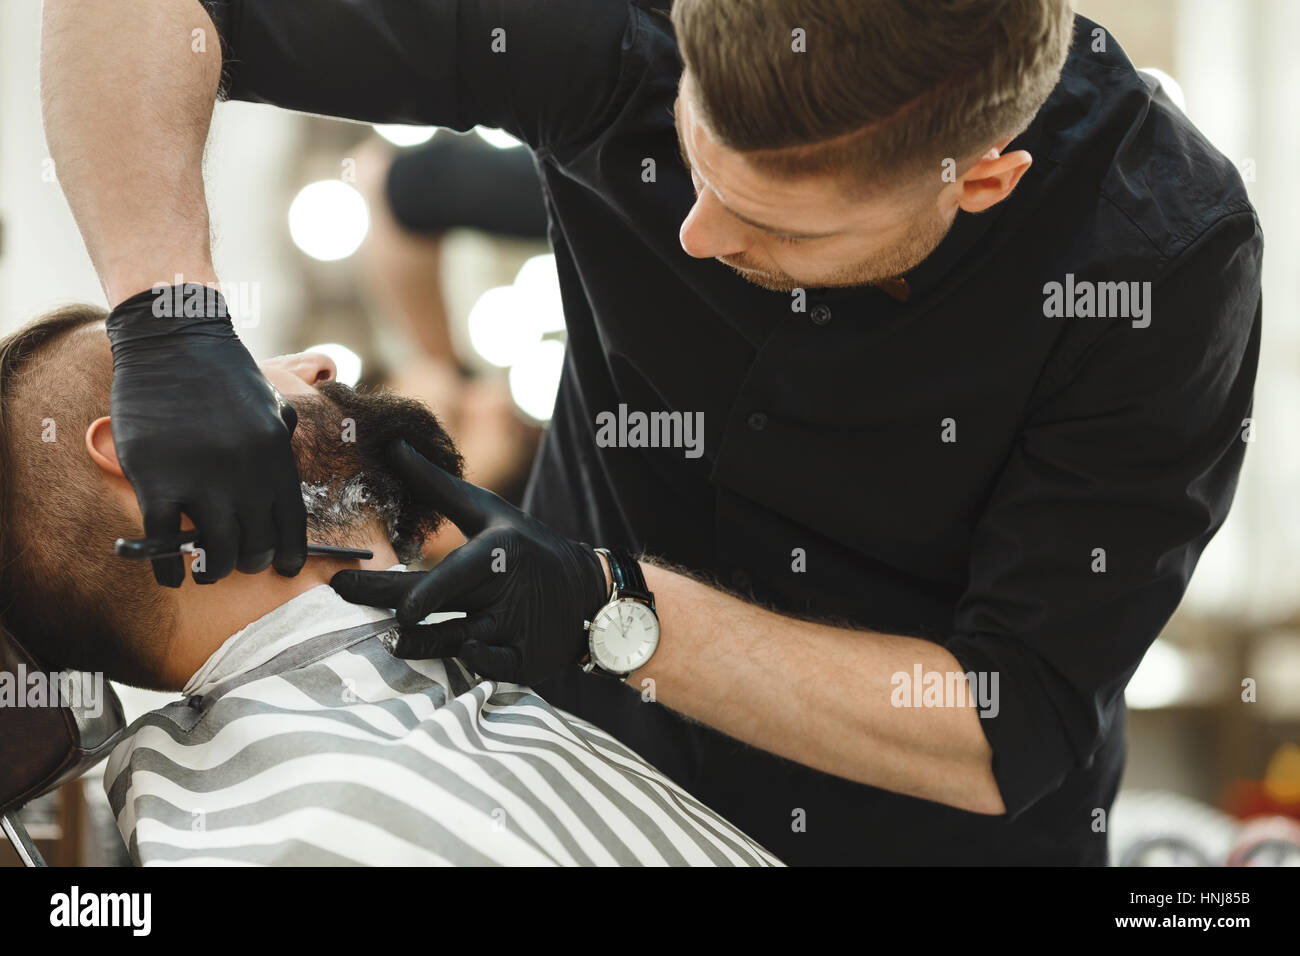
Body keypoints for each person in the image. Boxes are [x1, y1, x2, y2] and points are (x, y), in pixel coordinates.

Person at [41, 0, 1263, 864]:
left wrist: (615, 613)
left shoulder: (1156, 265)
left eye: (773, 228)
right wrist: (167, 309)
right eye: (693, 164)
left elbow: (1013, 721)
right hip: (554, 738)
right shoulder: (610, 28)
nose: (695, 239)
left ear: (977, 178)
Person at [0, 305, 780, 866]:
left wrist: (603, 606)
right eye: (243, 356)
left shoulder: (456, 680)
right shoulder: (319, 835)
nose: (319, 366)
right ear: (148, 464)